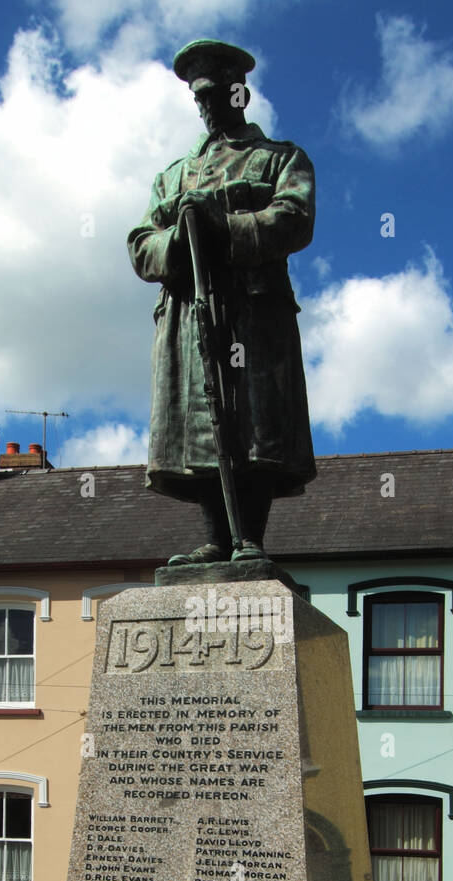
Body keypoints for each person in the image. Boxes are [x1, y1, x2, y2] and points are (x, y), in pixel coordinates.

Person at [127, 39, 317, 565]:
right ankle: (215, 538)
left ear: (240, 95)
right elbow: (141, 245)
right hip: (188, 313)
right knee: (199, 426)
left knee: (253, 424)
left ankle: (249, 537)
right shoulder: (171, 176)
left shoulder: (280, 158)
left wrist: (224, 227)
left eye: (215, 94)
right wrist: (179, 242)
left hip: (253, 312)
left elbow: (295, 219)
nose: (206, 105)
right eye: (199, 97)